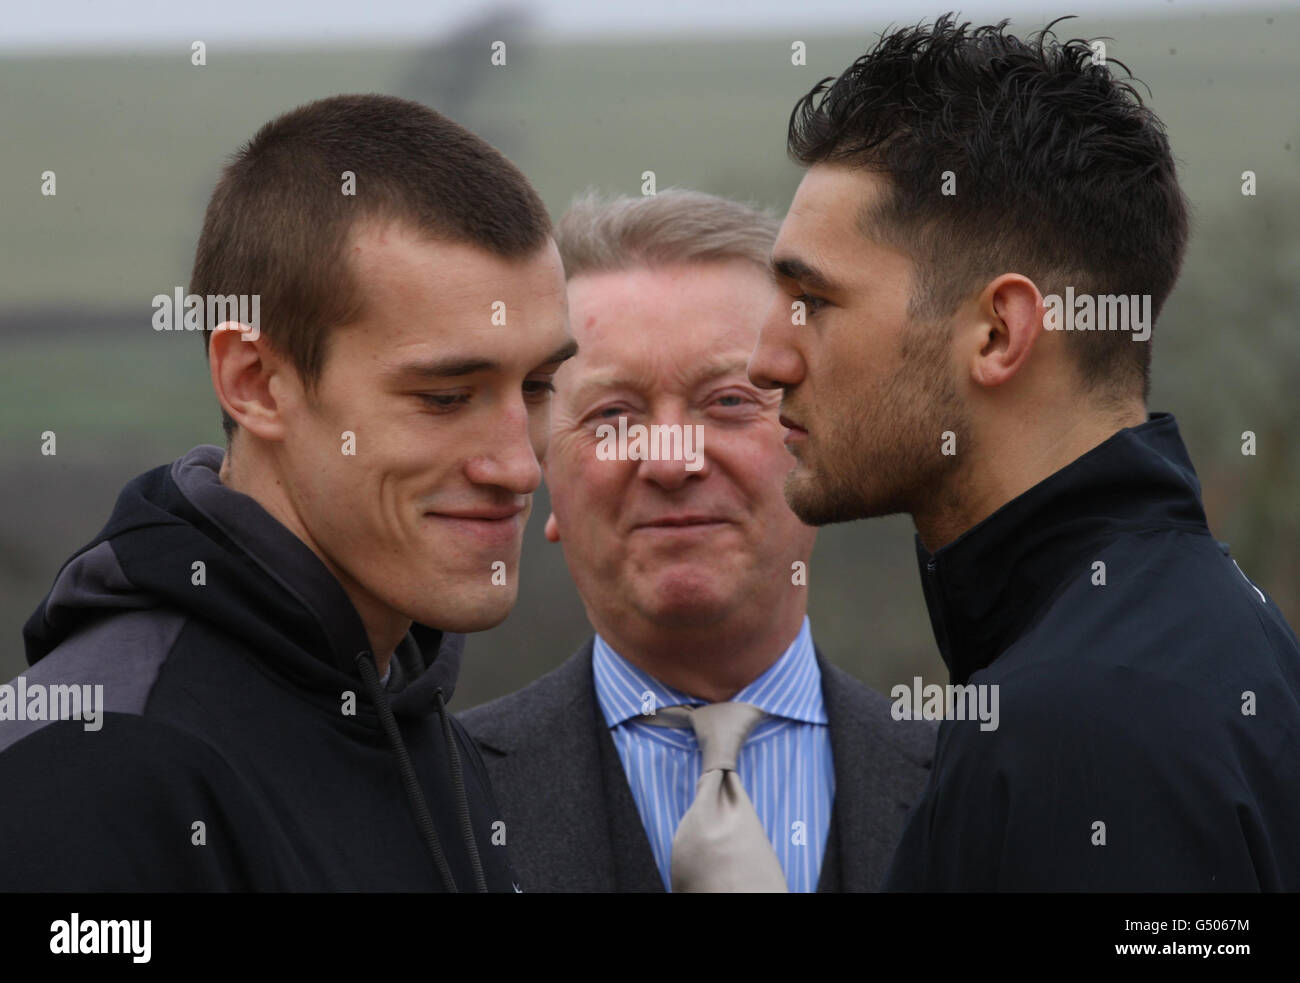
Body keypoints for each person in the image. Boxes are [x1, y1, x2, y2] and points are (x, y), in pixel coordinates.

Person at [747, 15, 1300, 890]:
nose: (767, 359)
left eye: (814, 299)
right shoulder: (1198, 628)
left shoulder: (1086, 728)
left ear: (1000, 332)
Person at [0, 94, 574, 891]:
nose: (519, 466)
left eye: (539, 385)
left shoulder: (412, 716)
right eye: (445, 396)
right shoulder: (93, 768)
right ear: (256, 382)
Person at [461, 189, 936, 893]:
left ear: (816, 450)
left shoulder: (984, 788)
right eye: (613, 413)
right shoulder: (435, 801)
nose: (672, 460)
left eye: (728, 402)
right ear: (544, 476)